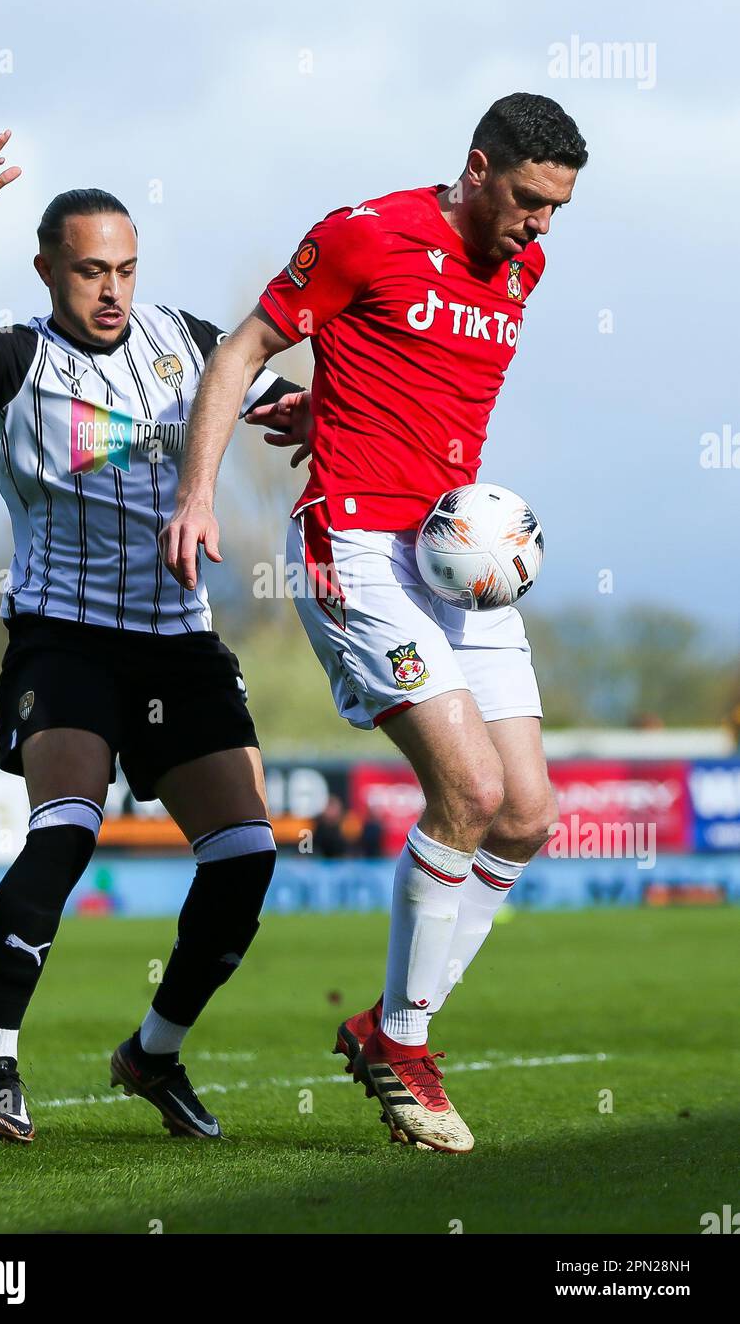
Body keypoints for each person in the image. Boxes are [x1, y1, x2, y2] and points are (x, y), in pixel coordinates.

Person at [163, 93, 588, 1153]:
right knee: (471, 791)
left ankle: (388, 1027)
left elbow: (423, 377)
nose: (540, 227)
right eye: (528, 201)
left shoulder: (521, 270)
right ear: (477, 167)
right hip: (356, 544)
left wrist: (331, 404)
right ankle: (400, 1041)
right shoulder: (364, 233)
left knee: (527, 816)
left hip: (457, 552)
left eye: (557, 209)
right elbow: (242, 349)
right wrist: (197, 493)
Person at [0, 130, 305, 1144]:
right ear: (47, 268)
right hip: (64, 635)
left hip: (176, 639)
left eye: (125, 268)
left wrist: (311, 411)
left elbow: (265, 392)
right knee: (68, 827)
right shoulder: (18, 360)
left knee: (247, 852)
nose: (112, 288)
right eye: (90, 269)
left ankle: (153, 1053)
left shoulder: (186, 344)